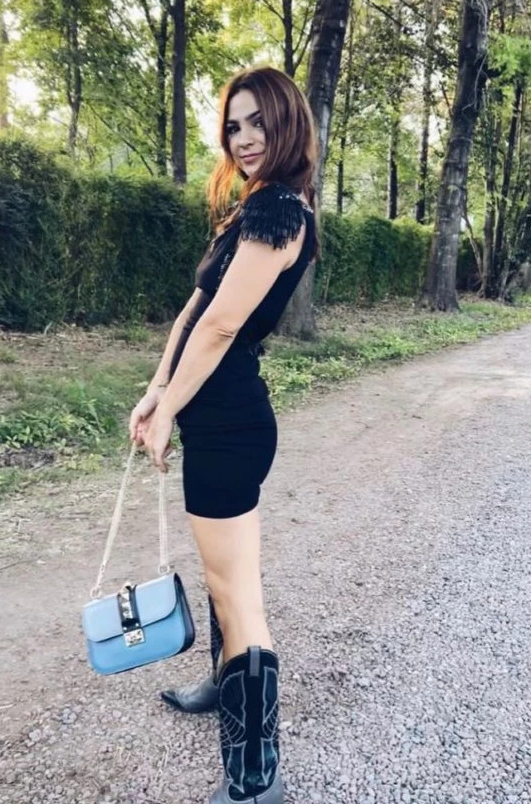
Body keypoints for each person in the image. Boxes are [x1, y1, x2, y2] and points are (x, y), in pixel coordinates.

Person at [129, 65, 318, 804]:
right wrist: (157, 390)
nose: (243, 137)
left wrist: (168, 412)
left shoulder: (281, 214)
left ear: (287, 124)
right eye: (233, 125)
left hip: (231, 424)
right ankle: (222, 680)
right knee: (220, 573)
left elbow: (221, 328)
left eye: (257, 122)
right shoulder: (251, 209)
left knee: (239, 596)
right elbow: (192, 311)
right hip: (213, 419)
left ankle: (256, 772)